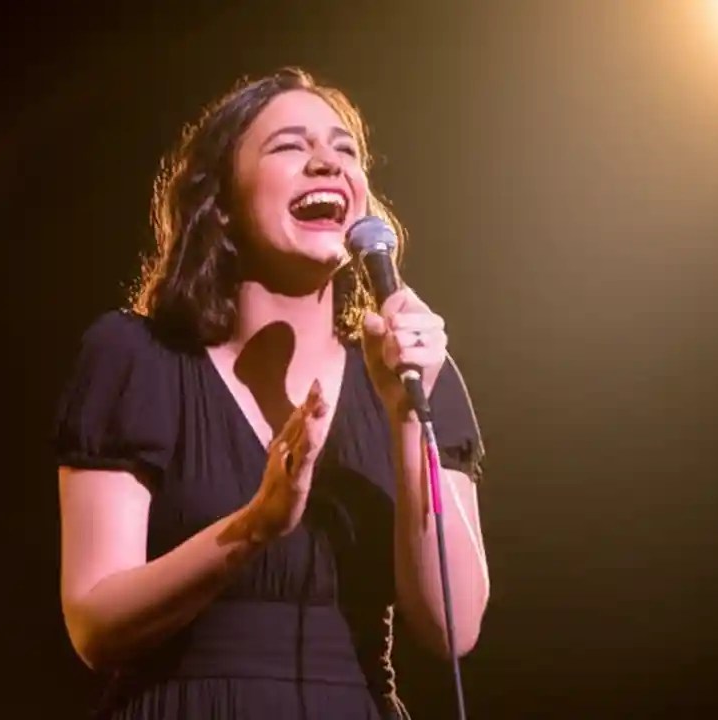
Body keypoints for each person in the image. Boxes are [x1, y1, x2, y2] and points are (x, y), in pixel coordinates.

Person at [53, 67, 490, 720]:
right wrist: (256, 525)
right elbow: (94, 624)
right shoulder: (136, 360)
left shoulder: (417, 373)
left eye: (345, 150)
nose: (327, 163)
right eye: (290, 146)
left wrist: (405, 417)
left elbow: (453, 627)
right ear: (222, 202)